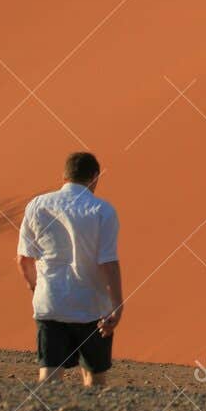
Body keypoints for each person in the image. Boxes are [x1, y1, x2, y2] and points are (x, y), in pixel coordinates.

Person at [17, 151, 122, 388]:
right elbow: (109, 263)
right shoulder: (102, 210)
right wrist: (117, 305)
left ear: (64, 176)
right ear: (95, 177)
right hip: (91, 308)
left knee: (49, 377)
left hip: (50, 305)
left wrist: (36, 288)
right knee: (94, 378)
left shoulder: (37, 205)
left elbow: (24, 259)